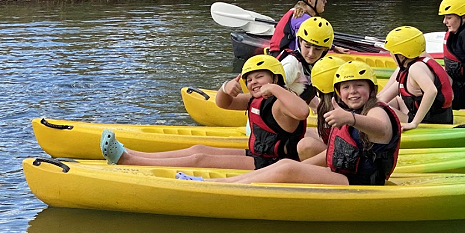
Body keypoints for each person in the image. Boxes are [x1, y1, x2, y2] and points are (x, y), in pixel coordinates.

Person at [186, 60, 401, 186]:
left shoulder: (375, 111)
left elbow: (380, 127)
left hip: (364, 182)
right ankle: (221, 185)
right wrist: (297, 167)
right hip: (345, 174)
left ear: (372, 89)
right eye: (346, 88)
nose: (352, 92)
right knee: (286, 166)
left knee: (287, 169)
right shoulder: (348, 110)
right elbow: (331, 155)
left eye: (358, 86)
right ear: (339, 92)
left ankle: (218, 187)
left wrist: (351, 119)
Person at [100, 55, 309, 170]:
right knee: (198, 148)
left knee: (200, 158)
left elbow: (302, 112)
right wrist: (225, 88)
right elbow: (224, 104)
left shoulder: (281, 102)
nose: (253, 82)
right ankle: (132, 153)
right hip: (258, 155)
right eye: (249, 79)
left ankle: (128, 161)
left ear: (276, 78)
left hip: (273, 163)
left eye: (260, 77)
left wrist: (274, 89)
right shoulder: (256, 100)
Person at [378, 25, 455, 128]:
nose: (390, 55)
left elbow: (431, 91)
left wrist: (414, 123)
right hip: (440, 116)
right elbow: (382, 99)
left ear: (401, 55)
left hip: (429, 122)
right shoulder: (420, 62)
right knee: (390, 101)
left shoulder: (415, 68)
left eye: (391, 52)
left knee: (379, 108)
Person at [295, 54, 345, 159]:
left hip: (343, 158)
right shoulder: (324, 105)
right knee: (303, 133)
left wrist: (303, 166)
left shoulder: (341, 109)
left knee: (306, 145)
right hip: (335, 149)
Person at [276, 16, 334, 104]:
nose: (311, 53)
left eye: (317, 49)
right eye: (307, 46)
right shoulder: (291, 64)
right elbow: (272, 93)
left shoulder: (309, 65)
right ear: (299, 42)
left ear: (325, 50)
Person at [268, 0, 332, 54]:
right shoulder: (302, 20)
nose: (325, 1)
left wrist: (333, 47)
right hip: (284, 59)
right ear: (310, 0)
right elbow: (302, 51)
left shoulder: (299, 13)